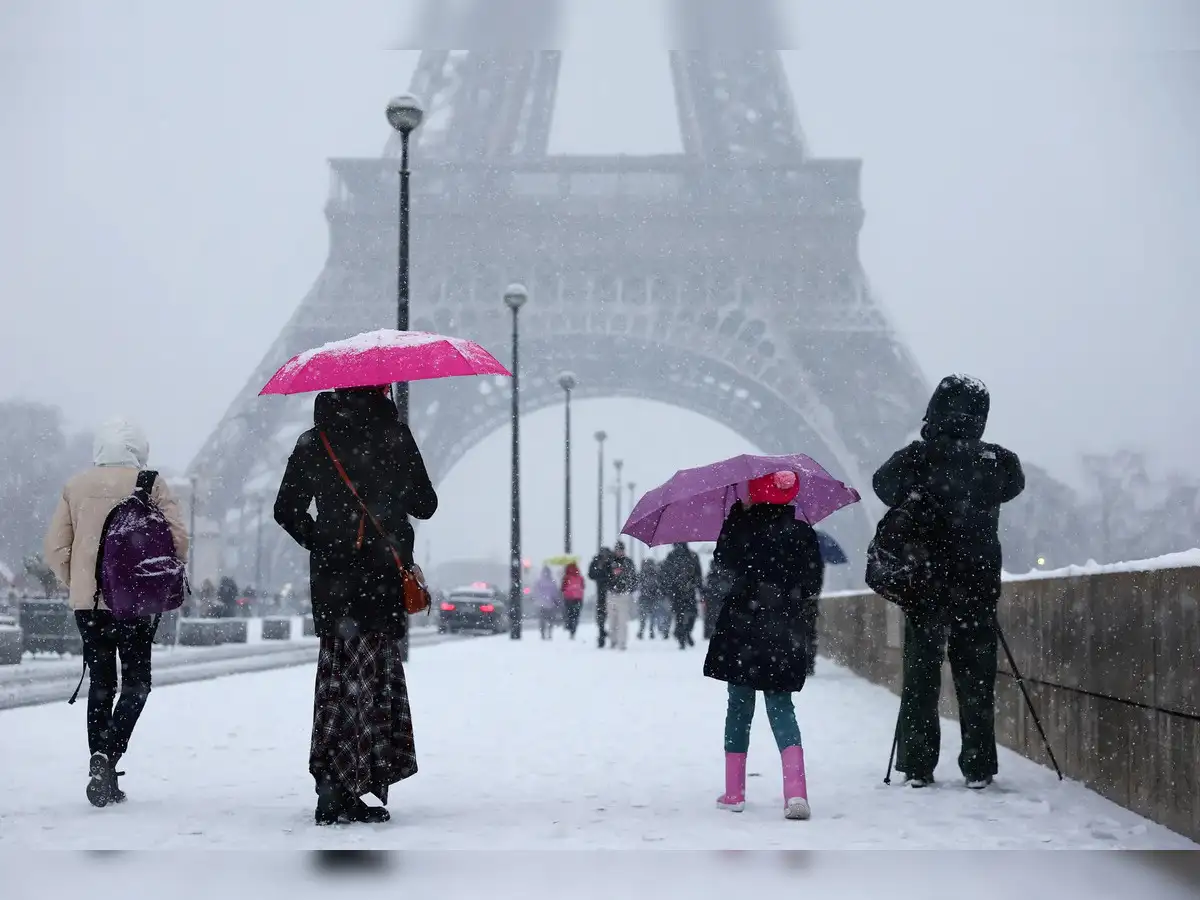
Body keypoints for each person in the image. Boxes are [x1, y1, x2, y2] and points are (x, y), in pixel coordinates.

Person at [274, 385, 437, 826]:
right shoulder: (394, 436)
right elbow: (427, 505)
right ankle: (355, 778)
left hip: (332, 585)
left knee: (335, 681)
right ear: (380, 390)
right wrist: (390, 491)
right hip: (380, 580)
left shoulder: (315, 439)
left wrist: (325, 543)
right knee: (370, 683)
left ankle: (332, 784)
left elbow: (285, 510)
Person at [873, 374, 1025, 790]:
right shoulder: (998, 462)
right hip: (976, 587)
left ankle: (918, 765)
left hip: (926, 586)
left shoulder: (916, 459)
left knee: (920, 680)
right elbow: (1013, 487)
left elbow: (882, 487)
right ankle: (978, 766)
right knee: (976, 683)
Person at [43, 418, 189, 807]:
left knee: (101, 683)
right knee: (137, 682)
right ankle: (110, 754)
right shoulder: (151, 482)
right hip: (135, 601)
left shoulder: (75, 486)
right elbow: (178, 540)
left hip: (88, 604)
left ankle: (100, 766)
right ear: (139, 449)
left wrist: (77, 583)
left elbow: (56, 550)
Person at [704, 471, 824, 820]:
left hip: (742, 623)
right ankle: (795, 793)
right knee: (781, 706)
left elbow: (723, 563)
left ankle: (734, 792)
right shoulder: (802, 533)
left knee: (739, 707)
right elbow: (812, 582)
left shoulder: (741, 528)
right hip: (782, 626)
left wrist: (737, 518)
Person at [661, 542, 703, 649]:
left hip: (688, 591)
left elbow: (698, 574)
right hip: (677, 592)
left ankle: (686, 633)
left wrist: (696, 585)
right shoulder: (672, 556)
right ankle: (682, 638)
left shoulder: (692, 555)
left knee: (691, 615)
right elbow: (665, 575)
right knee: (681, 616)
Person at [604, 542, 638, 651]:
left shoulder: (628, 562)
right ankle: (613, 640)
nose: (619, 552)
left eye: (621, 550)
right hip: (612, 594)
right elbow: (604, 576)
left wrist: (629, 588)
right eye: (617, 550)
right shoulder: (610, 562)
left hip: (624, 595)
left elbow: (634, 578)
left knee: (623, 621)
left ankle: (622, 642)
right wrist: (612, 578)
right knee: (612, 620)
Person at [588, 546, 614, 648]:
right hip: (601, 593)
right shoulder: (596, 562)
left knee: (612, 616)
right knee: (601, 616)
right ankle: (601, 635)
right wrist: (599, 569)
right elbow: (591, 574)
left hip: (612, 592)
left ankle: (613, 636)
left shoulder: (612, 562)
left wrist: (604, 574)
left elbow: (613, 576)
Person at [636, 559, 663, 640]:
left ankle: (642, 631)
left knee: (643, 616)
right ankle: (650, 631)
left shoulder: (642, 574)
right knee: (652, 615)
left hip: (645, 597)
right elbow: (658, 585)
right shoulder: (655, 574)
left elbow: (638, 585)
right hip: (652, 597)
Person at [533, 566, 561, 640]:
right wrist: (557, 601)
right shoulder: (552, 582)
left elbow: (536, 592)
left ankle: (542, 633)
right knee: (550, 620)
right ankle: (549, 633)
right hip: (550, 604)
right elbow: (555, 593)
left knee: (542, 620)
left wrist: (537, 599)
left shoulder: (539, 582)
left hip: (541, 604)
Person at [561, 561, 585, 638]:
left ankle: (570, 627)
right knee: (576, 615)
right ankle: (573, 630)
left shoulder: (566, 577)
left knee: (569, 614)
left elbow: (562, 588)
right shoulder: (580, 577)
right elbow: (583, 586)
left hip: (569, 598)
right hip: (578, 598)